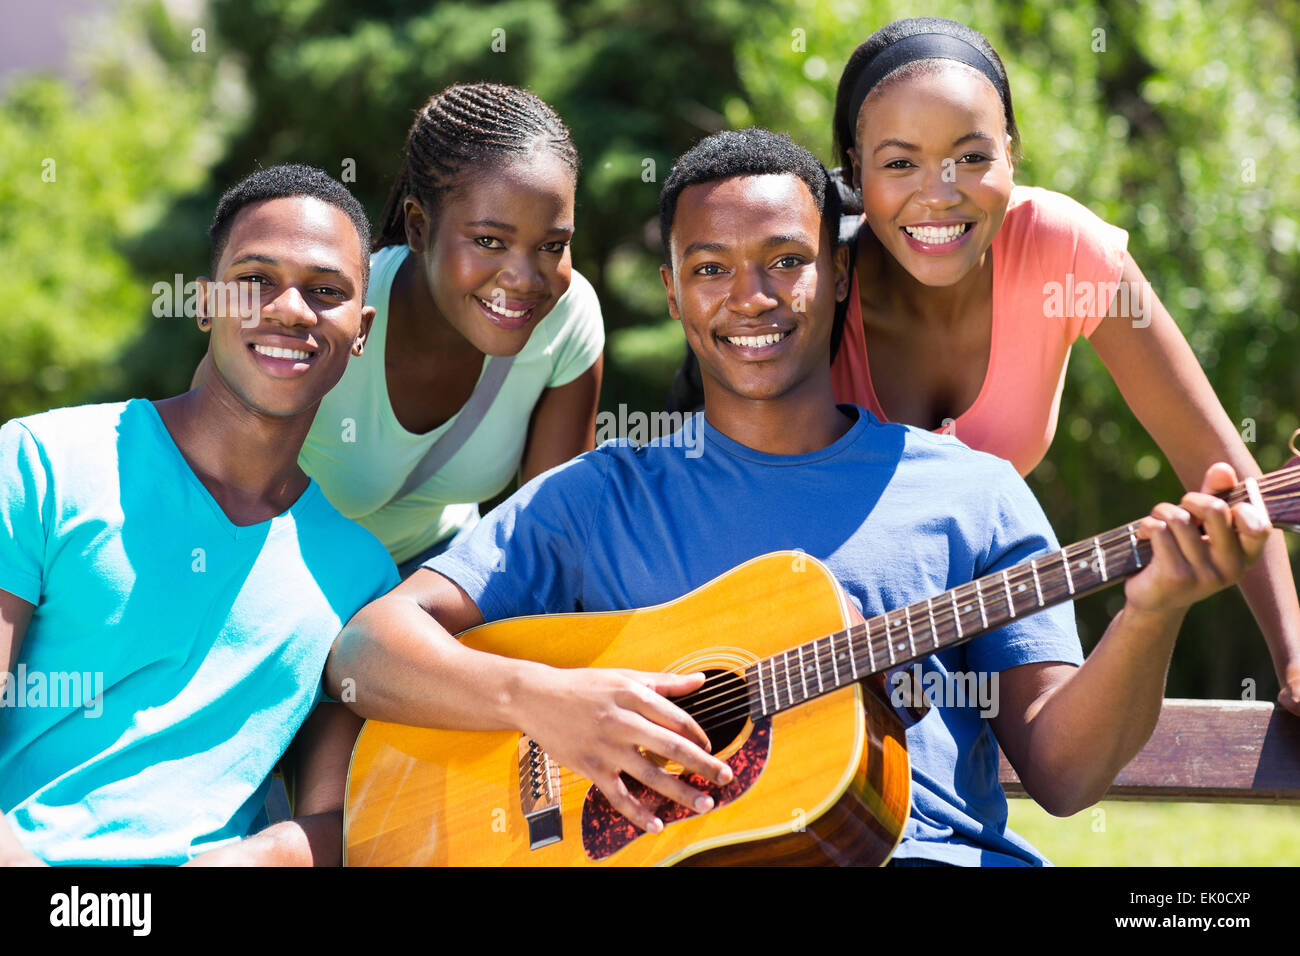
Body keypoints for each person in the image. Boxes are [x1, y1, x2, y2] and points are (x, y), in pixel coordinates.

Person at [325, 129, 1270, 865]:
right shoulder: (600, 495)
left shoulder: (971, 494)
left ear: (841, 274)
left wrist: (1153, 613)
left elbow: (1064, 777)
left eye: (786, 259)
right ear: (671, 293)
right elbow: (368, 654)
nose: (751, 297)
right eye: (710, 269)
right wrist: (550, 704)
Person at [0, 164, 399, 866]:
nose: (291, 310)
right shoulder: (41, 462)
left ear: (360, 329)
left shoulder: (361, 575)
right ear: (204, 302)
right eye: (255, 279)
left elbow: (340, 821)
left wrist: (256, 857)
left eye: (327, 291)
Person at [296, 82, 605, 576]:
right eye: (488, 240)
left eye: (551, 246)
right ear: (418, 226)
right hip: (293, 580)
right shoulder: (325, 315)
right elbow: (213, 499)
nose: (524, 279)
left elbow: (549, 539)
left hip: (442, 574)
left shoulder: (567, 317)